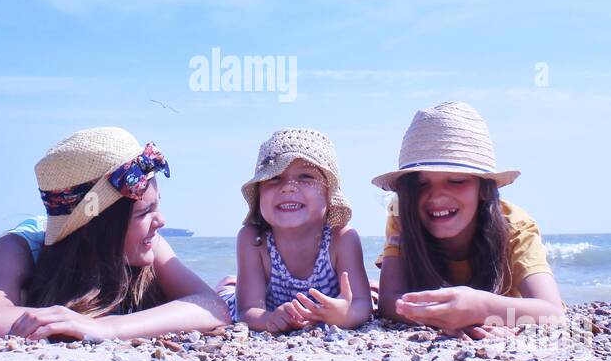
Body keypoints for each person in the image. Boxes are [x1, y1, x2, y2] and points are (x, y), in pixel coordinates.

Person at [0, 126, 231, 340]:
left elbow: (212, 307)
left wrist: (105, 328)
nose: (160, 221)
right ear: (96, 227)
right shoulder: (18, 248)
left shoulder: (150, 246)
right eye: (144, 213)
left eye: (158, 205)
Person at [373, 102, 566, 337]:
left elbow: (553, 313)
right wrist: (447, 317)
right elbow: (388, 302)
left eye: (456, 181)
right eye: (421, 184)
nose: (436, 196)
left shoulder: (515, 226)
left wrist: (482, 308)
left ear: (484, 189)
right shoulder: (403, 217)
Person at [216, 128, 372, 333]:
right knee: (221, 301)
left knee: (373, 292)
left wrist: (343, 315)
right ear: (259, 192)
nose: (288, 187)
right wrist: (270, 319)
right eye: (274, 178)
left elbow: (362, 304)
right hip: (258, 302)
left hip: (328, 302)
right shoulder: (254, 240)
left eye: (306, 177)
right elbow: (247, 310)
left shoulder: (341, 239)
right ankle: (229, 284)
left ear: (329, 193)